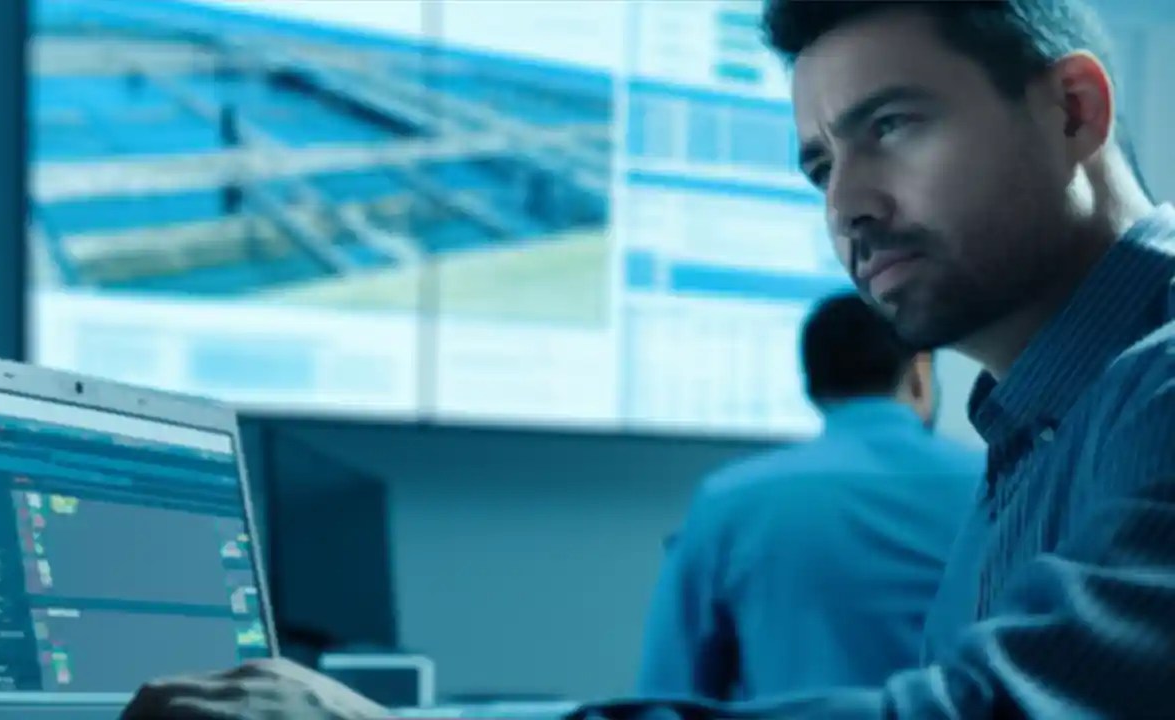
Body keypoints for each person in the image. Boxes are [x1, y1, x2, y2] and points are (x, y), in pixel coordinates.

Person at [119, 0, 1175, 717]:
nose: (846, 206)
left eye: (890, 126)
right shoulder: (1027, 433)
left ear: (1073, 110)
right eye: (818, 164)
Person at [636, 292, 980, 702]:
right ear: (918, 374)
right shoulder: (995, 484)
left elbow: (667, 697)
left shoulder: (729, 501)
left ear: (812, 389)